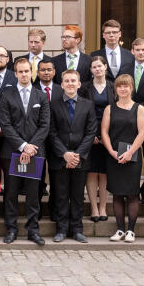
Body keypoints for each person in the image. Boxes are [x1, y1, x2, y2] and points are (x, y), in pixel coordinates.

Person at [0, 57, 51, 245]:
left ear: (31, 72)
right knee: (11, 193)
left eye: (27, 71)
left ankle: (33, 230)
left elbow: (44, 125)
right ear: (15, 73)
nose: (24, 74)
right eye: (20, 71)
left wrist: (30, 147)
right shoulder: (7, 95)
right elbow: (5, 124)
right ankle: (11, 229)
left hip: (35, 153)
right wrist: (22, 146)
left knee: (33, 194)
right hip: (12, 152)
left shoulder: (40, 96)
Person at [46, 69, 97, 243]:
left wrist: (77, 155)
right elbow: (51, 132)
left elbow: (90, 132)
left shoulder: (88, 105)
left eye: (73, 81)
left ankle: (77, 229)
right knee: (60, 195)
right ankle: (61, 229)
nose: (70, 84)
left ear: (79, 84)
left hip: (80, 158)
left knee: (77, 195)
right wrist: (64, 154)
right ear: (62, 84)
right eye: (66, 81)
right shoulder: (53, 104)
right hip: (59, 157)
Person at [101, 74, 144, 243]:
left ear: (131, 88)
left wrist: (130, 152)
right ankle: (120, 229)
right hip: (114, 156)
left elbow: (142, 133)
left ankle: (131, 231)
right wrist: (111, 151)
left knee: (133, 194)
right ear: (116, 89)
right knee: (117, 194)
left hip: (132, 157)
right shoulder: (109, 109)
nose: (122, 89)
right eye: (119, 86)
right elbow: (104, 131)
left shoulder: (139, 108)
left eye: (126, 86)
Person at [83, 57, 113, 223]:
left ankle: (103, 207)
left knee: (105, 172)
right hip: (90, 135)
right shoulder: (84, 88)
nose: (97, 69)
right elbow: (82, 113)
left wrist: (107, 136)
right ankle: (94, 208)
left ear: (105, 67)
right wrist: (91, 135)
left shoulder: (113, 87)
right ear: (91, 70)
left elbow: (117, 111)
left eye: (100, 66)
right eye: (94, 67)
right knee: (92, 172)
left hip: (109, 134)